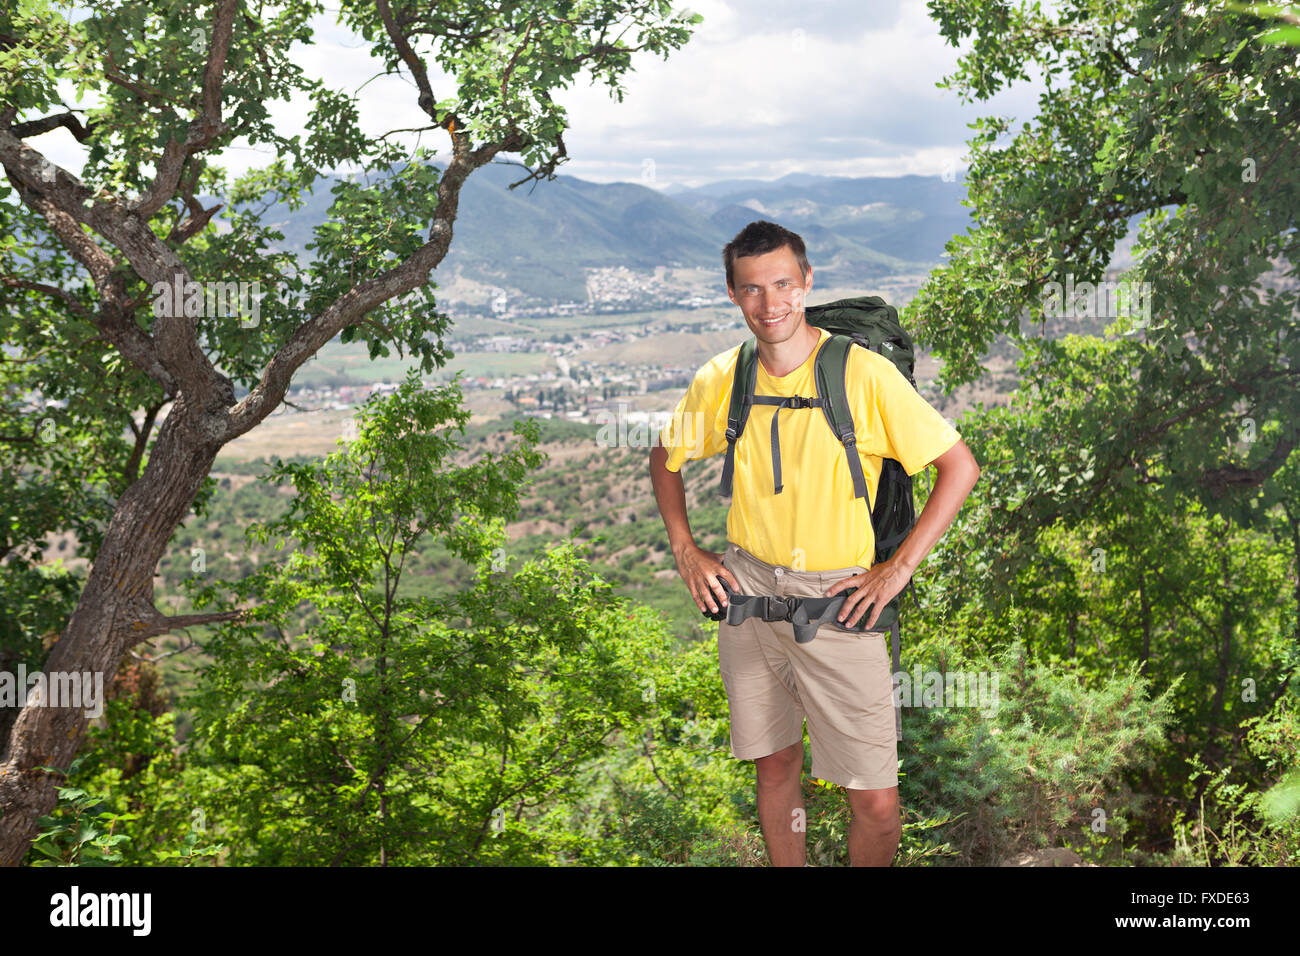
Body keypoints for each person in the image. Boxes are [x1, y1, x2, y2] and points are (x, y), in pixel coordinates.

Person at [649, 220, 981, 867]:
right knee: (774, 767)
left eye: (781, 284)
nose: (769, 305)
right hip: (748, 595)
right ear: (732, 294)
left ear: (806, 283)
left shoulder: (863, 375)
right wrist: (687, 551)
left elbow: (959, 466)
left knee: (877, 803)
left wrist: (896, 569)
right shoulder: (723, 377)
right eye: (752, 289)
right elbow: (666, 456)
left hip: (837, 600)